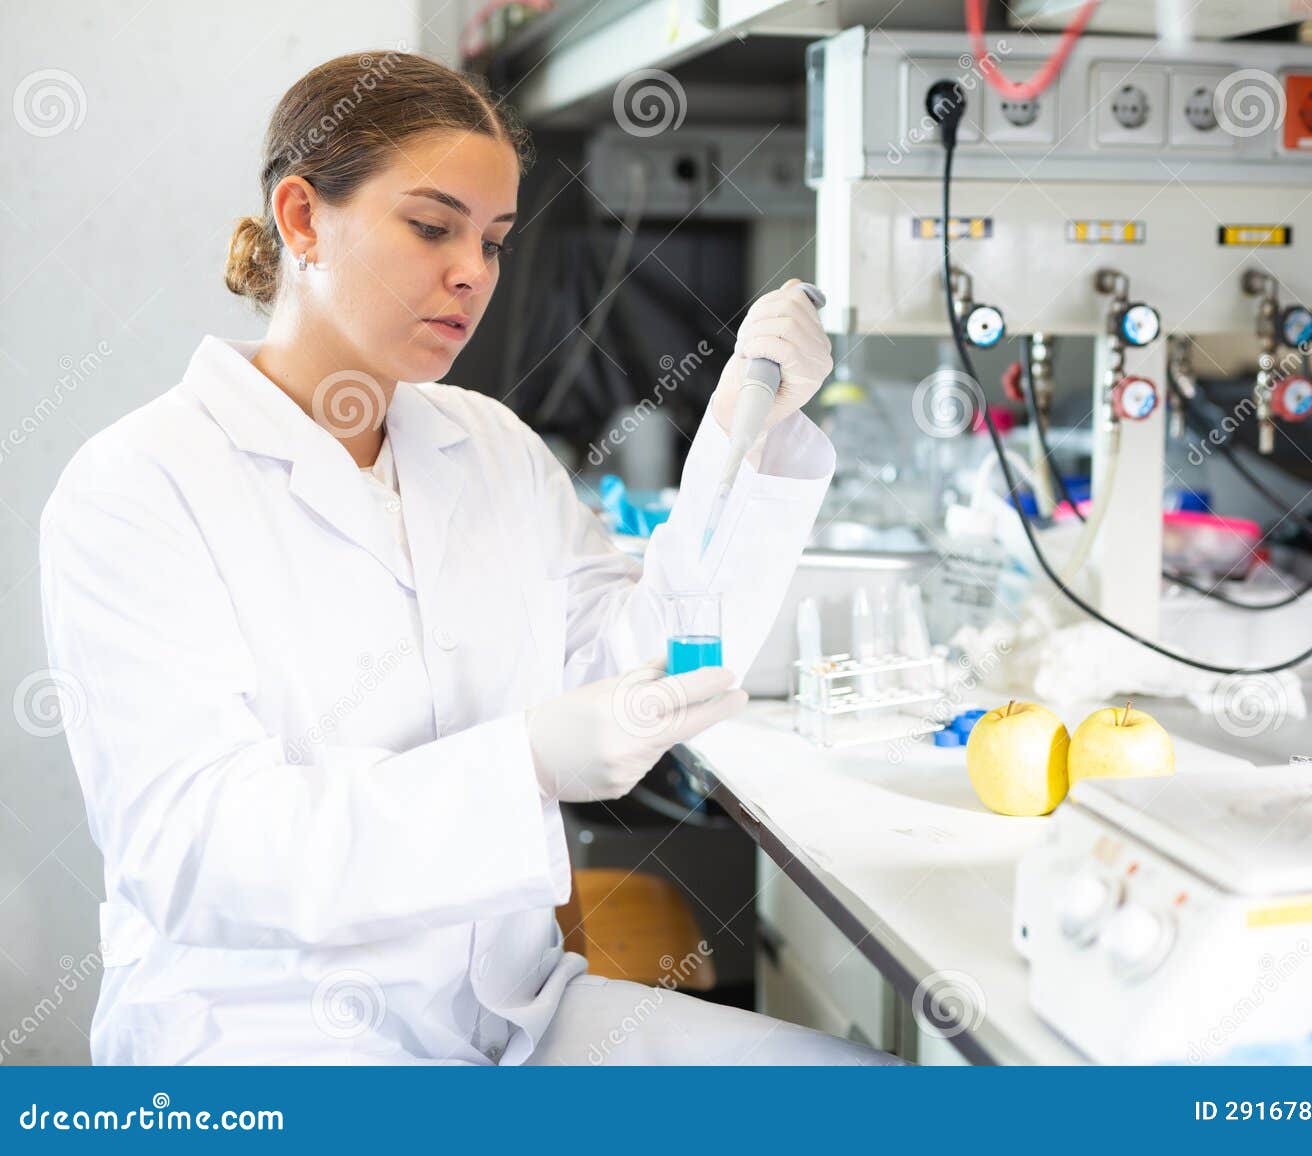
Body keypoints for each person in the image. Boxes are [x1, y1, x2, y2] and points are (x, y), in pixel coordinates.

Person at [39, 51, 894, 1066]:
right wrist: (520, 762)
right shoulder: (140, 486)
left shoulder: (486, 444)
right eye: (432, 227)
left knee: (867, 1091)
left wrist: (746, 435)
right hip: (262, 1035)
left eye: (492, 241)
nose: (473, 274)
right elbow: (196, 849)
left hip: (510, 1012)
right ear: (303, 218)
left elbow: (655, 661)